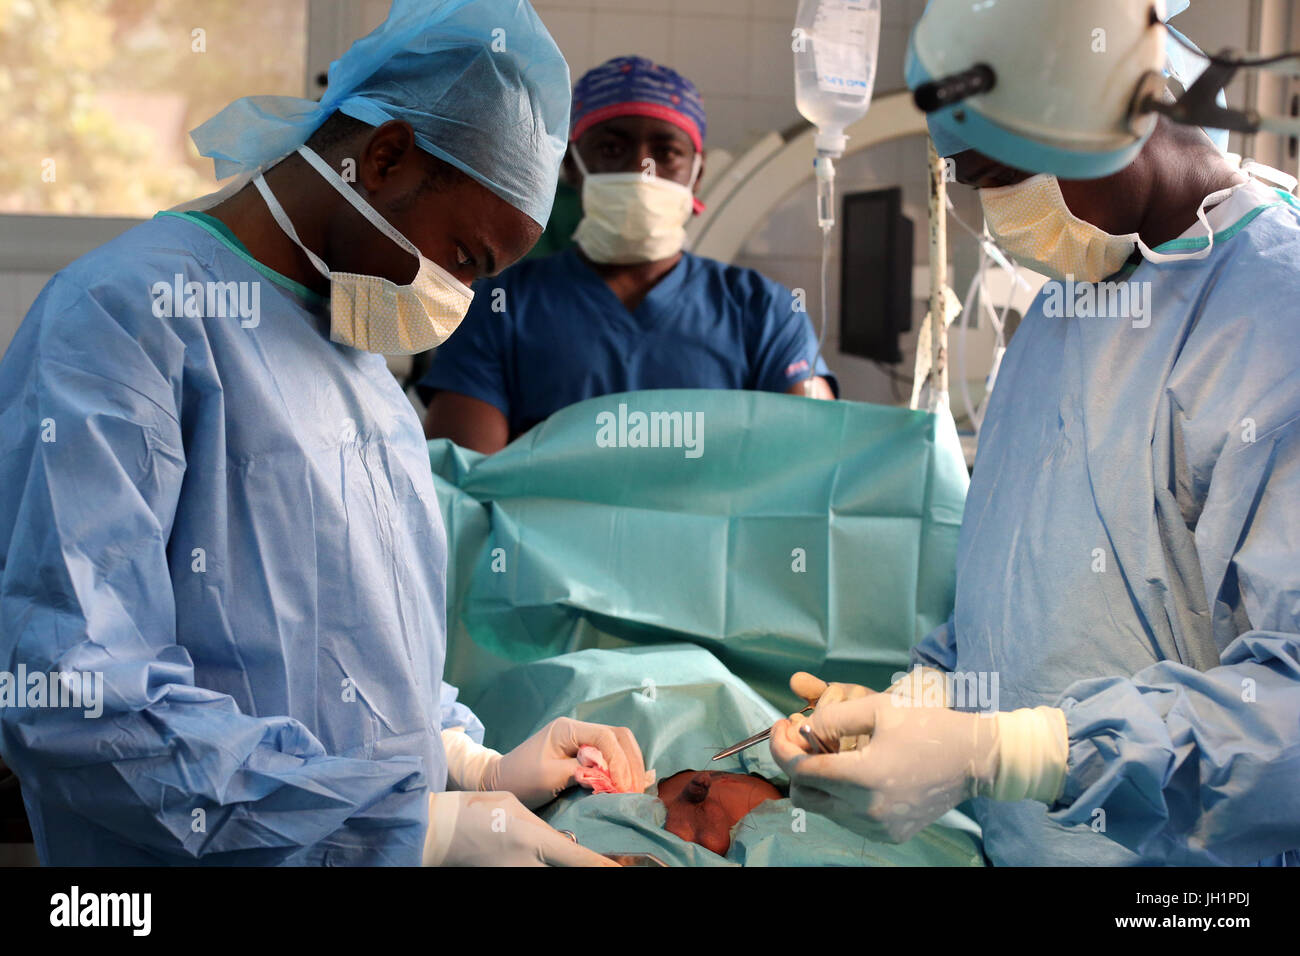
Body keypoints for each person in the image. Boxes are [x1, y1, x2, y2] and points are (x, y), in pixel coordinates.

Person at [0, 0, 645, 867]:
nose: (458, 299)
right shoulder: (124, 322)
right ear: (384, 157)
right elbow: (81, 701)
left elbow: (364, 659)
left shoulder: (359, 357)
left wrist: (466, 763)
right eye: (464, 258)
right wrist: (408, 831)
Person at [772, 5, 1300, 866]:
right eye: (971, 176)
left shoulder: (1276, 327)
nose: (1002, 210)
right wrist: (935, 697)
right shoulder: (1065, 307)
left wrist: (1019, 754)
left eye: (1006, 169)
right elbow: (1020, 599)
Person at [421, 55, 837, 454]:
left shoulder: (766, 314)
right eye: (611, 148)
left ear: (698, 173)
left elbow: (811, 463)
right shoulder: (501, 308)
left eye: (667, 151)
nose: (642, 168)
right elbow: (467, 481)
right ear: (572, 168)